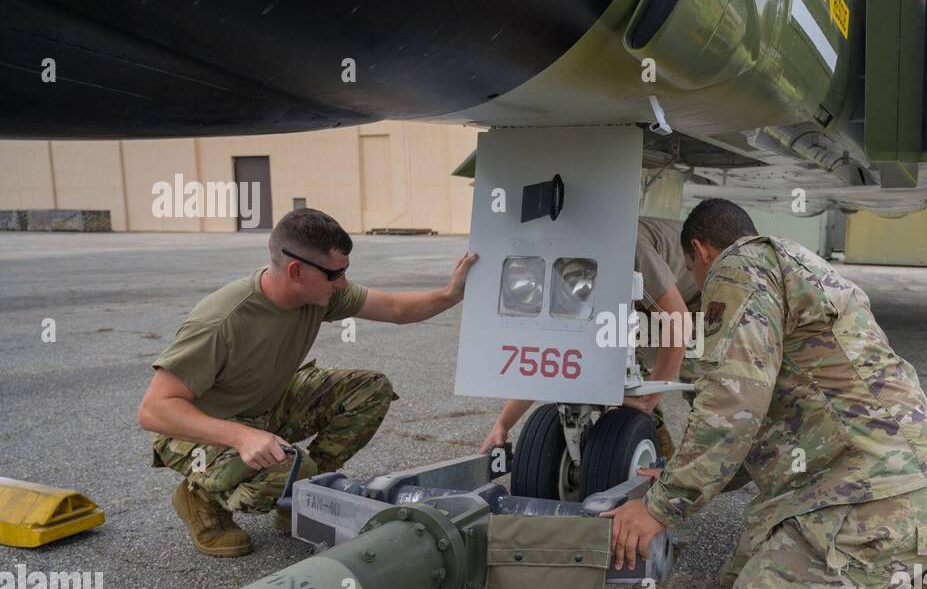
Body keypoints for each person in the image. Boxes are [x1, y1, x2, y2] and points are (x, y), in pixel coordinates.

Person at [602, 198, 927, 589]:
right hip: (899, 484)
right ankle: (925, 557)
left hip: (869, 503)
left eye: (696, 273)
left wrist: (660, 507)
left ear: (700, 252)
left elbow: (733, 403)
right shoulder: (799, 266)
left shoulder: (738, 268)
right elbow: (761, 423)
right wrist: (674, 477)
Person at [139, 207, 476, 557]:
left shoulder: (318, 294)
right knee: (279, 471)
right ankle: (200, 498)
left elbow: (394, 309)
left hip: (264, 406)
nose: (342, 282)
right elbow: (154, 411)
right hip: (196, 431)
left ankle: (305, 493)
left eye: (344, 272)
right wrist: (240, 436)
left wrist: (451, 294)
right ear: (296, 271)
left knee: (370, 389)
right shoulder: (221, 321)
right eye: (334, 274)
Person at [479, 214, 699, 458]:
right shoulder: (560, 266)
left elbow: (678, 322)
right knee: (627, 382)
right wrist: (503, 424)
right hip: (642, 298)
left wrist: (649, 399)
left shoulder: (626, 248)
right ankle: (655, 455)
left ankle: (713, 466)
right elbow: (553, 353)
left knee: (706, 386)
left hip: (700, 288)